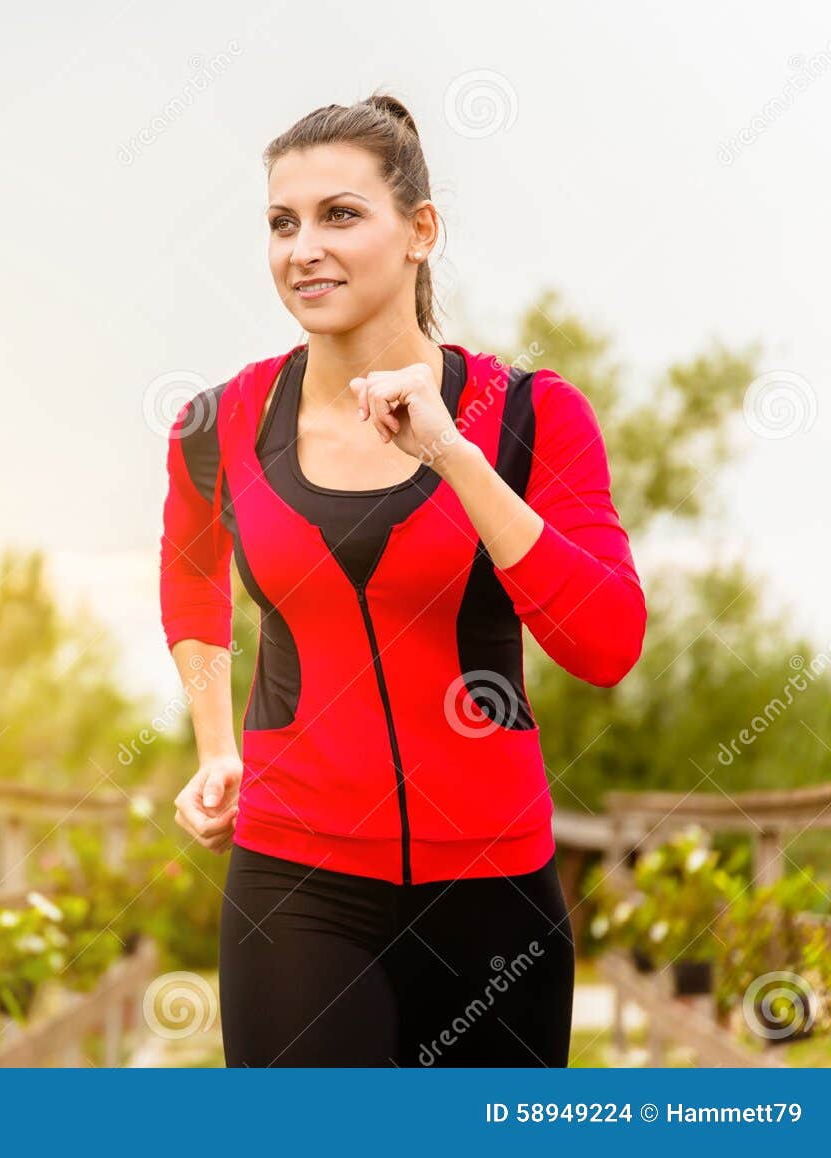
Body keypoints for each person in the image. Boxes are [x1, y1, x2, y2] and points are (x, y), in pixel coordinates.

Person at [157, 90, 647, 1067]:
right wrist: (217, 746)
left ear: (420, 230)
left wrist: (453, 454)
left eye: (341, 215)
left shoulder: (532, 419)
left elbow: (605, 645)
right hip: (295, 884)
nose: (304, 248)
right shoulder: (217, 427)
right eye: (281, 223)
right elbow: (192, 581)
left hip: (496, 898)